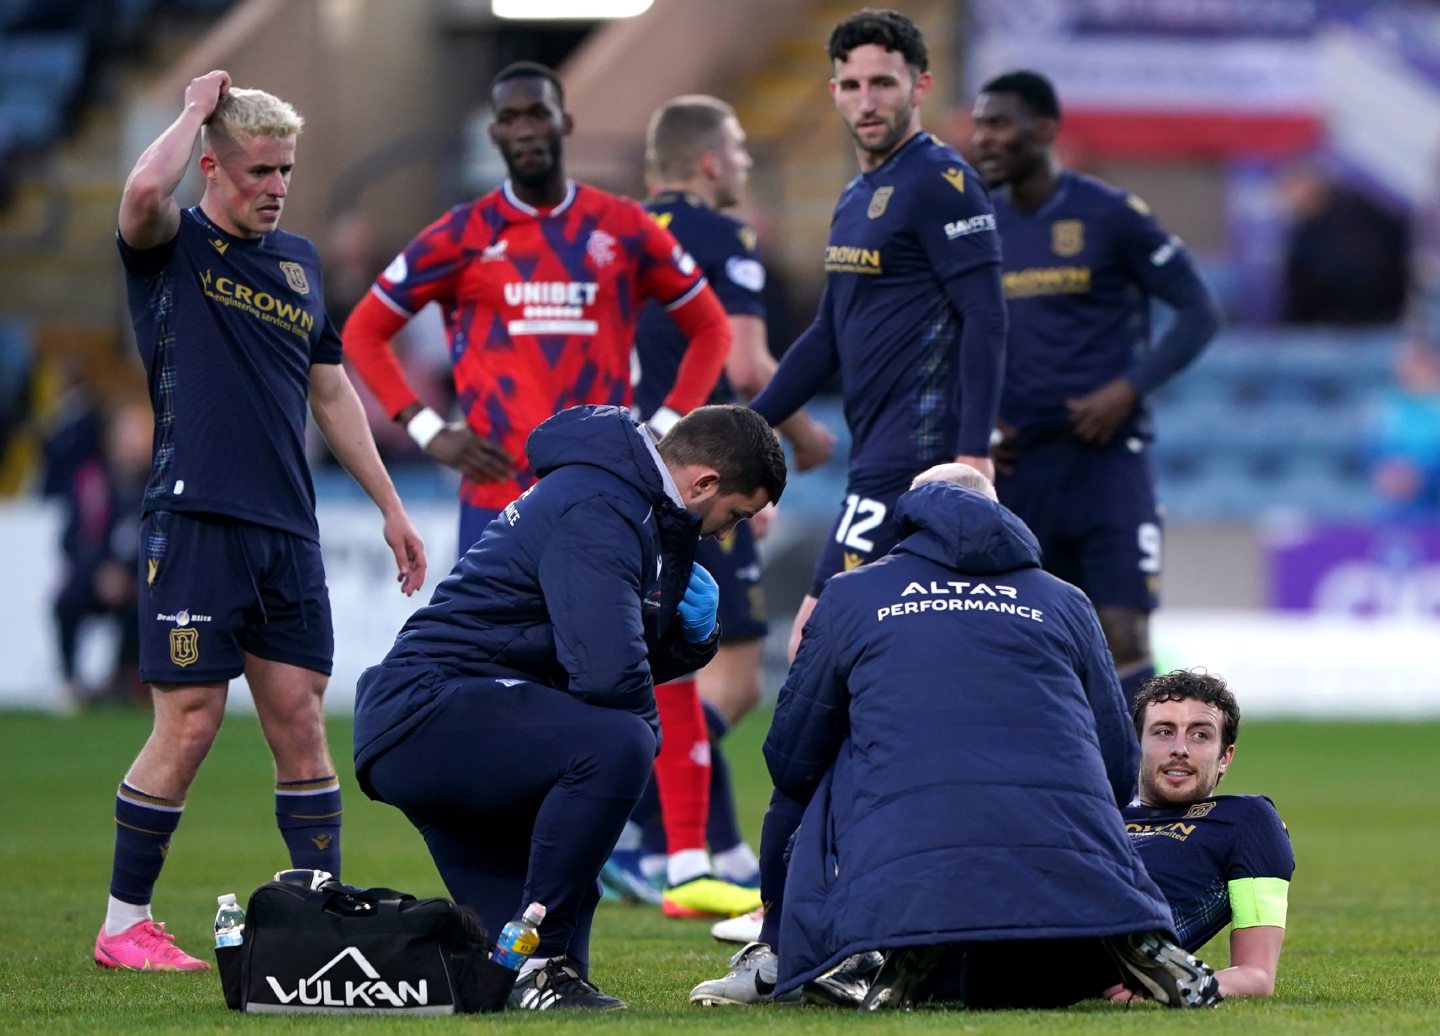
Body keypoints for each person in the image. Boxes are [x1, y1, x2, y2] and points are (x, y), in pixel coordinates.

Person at [96, 71, 427, 972]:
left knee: (300, 721)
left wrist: (391, 506)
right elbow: (137, 192)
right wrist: (193, 107)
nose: (277, 186)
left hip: (287, 529)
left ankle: (315, 916)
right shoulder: (172, 244)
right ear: (211, 165)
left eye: (286, 170)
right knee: (193, 719)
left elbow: (331, 389)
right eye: (258, 171)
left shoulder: (302, 265)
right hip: (195, 517)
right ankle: (125, 922)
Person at [725, 464, 1220, 1010]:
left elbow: (792, 751)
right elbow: (1116, 756)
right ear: (998, 510)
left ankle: (822, 956)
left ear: (910, 516)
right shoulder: (1065, 599)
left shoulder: (851, 594)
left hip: (908, 842)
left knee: (827, 766)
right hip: (1068, 848)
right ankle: (1132, 932)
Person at [353, 404, 787, 1011]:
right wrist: (640, 746)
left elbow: (590, 653)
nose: (723, 533)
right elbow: (607, 675)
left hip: (447, 715)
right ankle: (541, 964)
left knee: (546, 925)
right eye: (733, 516)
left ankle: (527, 971)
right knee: (620, 744)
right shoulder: (603, 506)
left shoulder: (625, 501)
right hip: (427, 710)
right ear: (704, 483)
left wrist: (688, 640)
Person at [343, 61, 732, 555]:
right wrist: (429, 430)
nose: (525, 129)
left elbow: (712, 328)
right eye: (510, 118)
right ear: (494, 134)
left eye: (538, 114)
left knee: (604, 635)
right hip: (495, 498)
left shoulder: (622, 225)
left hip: (605, 493)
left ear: (565, 123)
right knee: (492, 636)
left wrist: (666, 428)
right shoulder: (463, 232)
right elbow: (362, 331)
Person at [607, 94, 835, 919]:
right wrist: (798, 439)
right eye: (738, 146)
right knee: (728, 675)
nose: (743, 161)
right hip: (702, 474)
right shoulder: (718, 235)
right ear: (708, 161)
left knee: (704, 671)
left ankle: (668, 835)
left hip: (634, 463)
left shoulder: (619, 234)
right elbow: (743, 364)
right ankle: (653, 832)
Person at [747, 7, 1008, 662]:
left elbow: (986, 314)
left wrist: (974, 453)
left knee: (821, 636)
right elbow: (827, 337)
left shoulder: (942, 183)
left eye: (883, 83)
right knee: (882, 653)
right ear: (834, 91)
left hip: (922, 460)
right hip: (876, 455)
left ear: (919, 87)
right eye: (853, 85)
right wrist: (745, 434)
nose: (867, 100)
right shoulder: (856, 196)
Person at [972, 70, 1221, 705]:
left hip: (1106, 457)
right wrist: (976, 430)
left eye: (999, 124)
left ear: (1045, 130)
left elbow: (1198, 311)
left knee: (1122, 630)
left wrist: (1128, 389)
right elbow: (949, 341)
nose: (984, 139)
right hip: (1020, 464)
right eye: (980, 125)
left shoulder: (1110, 215)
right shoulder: (974, 232)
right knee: (1022, 634)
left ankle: (1134, 801)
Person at [1122, 669, 1293, 1000]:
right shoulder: (1100, 814)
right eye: (1163, 732)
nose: (1180, 749)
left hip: (1100, 947)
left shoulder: (1246, 821)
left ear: (1224, 757)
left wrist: (1177, 982)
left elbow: (1256, 973)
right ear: (1135, 746)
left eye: (1200, 735)